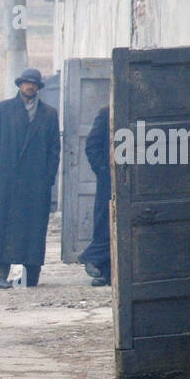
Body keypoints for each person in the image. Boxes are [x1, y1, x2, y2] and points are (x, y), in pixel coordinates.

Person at [0, 67, 59, 288]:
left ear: (38, 87)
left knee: (34, 229)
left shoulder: (49, 114)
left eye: (34, 83)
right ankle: (0, 274)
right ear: (19, 85)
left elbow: (55, 149)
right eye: (26, 82)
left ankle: (31, 276)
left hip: (36, 184)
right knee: (2, 227)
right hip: (6, 182)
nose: (30, 86)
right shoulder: (1, 111)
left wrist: (47, 179)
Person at [77, 106, 111, 286]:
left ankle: (106, 273)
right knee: (105, 224)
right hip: (110, 183)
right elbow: (92, 146)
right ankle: (92, 257)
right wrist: (104, 172)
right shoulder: (106, 113)